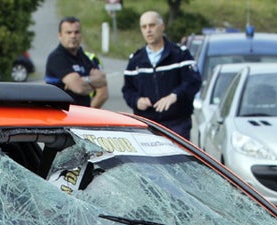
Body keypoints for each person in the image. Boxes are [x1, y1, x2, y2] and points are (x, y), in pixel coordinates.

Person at [122, 11, 202, 139]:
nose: (148, 30)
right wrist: (136, 100)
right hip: (146, 125)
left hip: (177, 124)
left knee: (178, 159)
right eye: (144, 27)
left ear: (162, 27)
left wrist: (174, 96)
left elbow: (194, 81)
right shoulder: (135, 60)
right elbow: (127, 90)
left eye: (152, 25)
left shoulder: (180, 54)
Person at [45, 17, 108, 107]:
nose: (73, 36)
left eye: (76, 32)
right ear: (60, 35)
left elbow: (102, 80)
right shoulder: (56, 58)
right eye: (68, 32)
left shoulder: (82, 56)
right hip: (63, 115)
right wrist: (91, 82)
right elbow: (79, 88)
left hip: (81, 114)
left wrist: (83, 80)